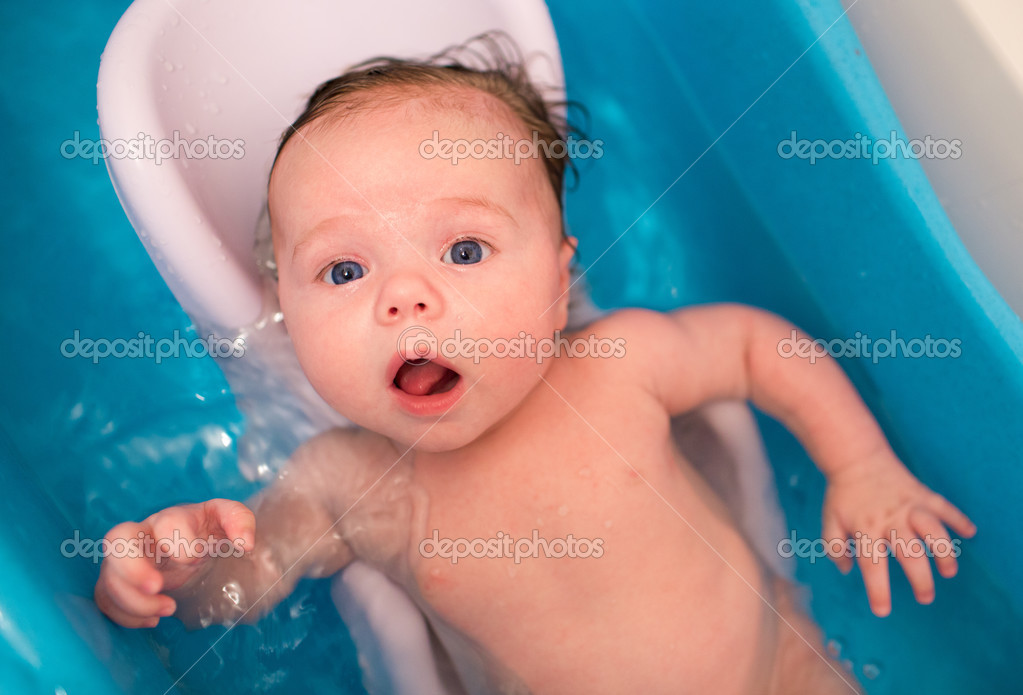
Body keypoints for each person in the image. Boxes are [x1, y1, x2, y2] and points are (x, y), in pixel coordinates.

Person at [94, 41, 975, 694]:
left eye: (465, 249)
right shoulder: (346, 480)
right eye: (345, 270)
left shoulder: (616, 367)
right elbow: (252, 578)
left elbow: (753, 345)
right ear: (287, 313)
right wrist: (177, 571)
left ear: (559, 282)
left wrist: (858, 464)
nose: (405, 298)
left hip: (779, 668)